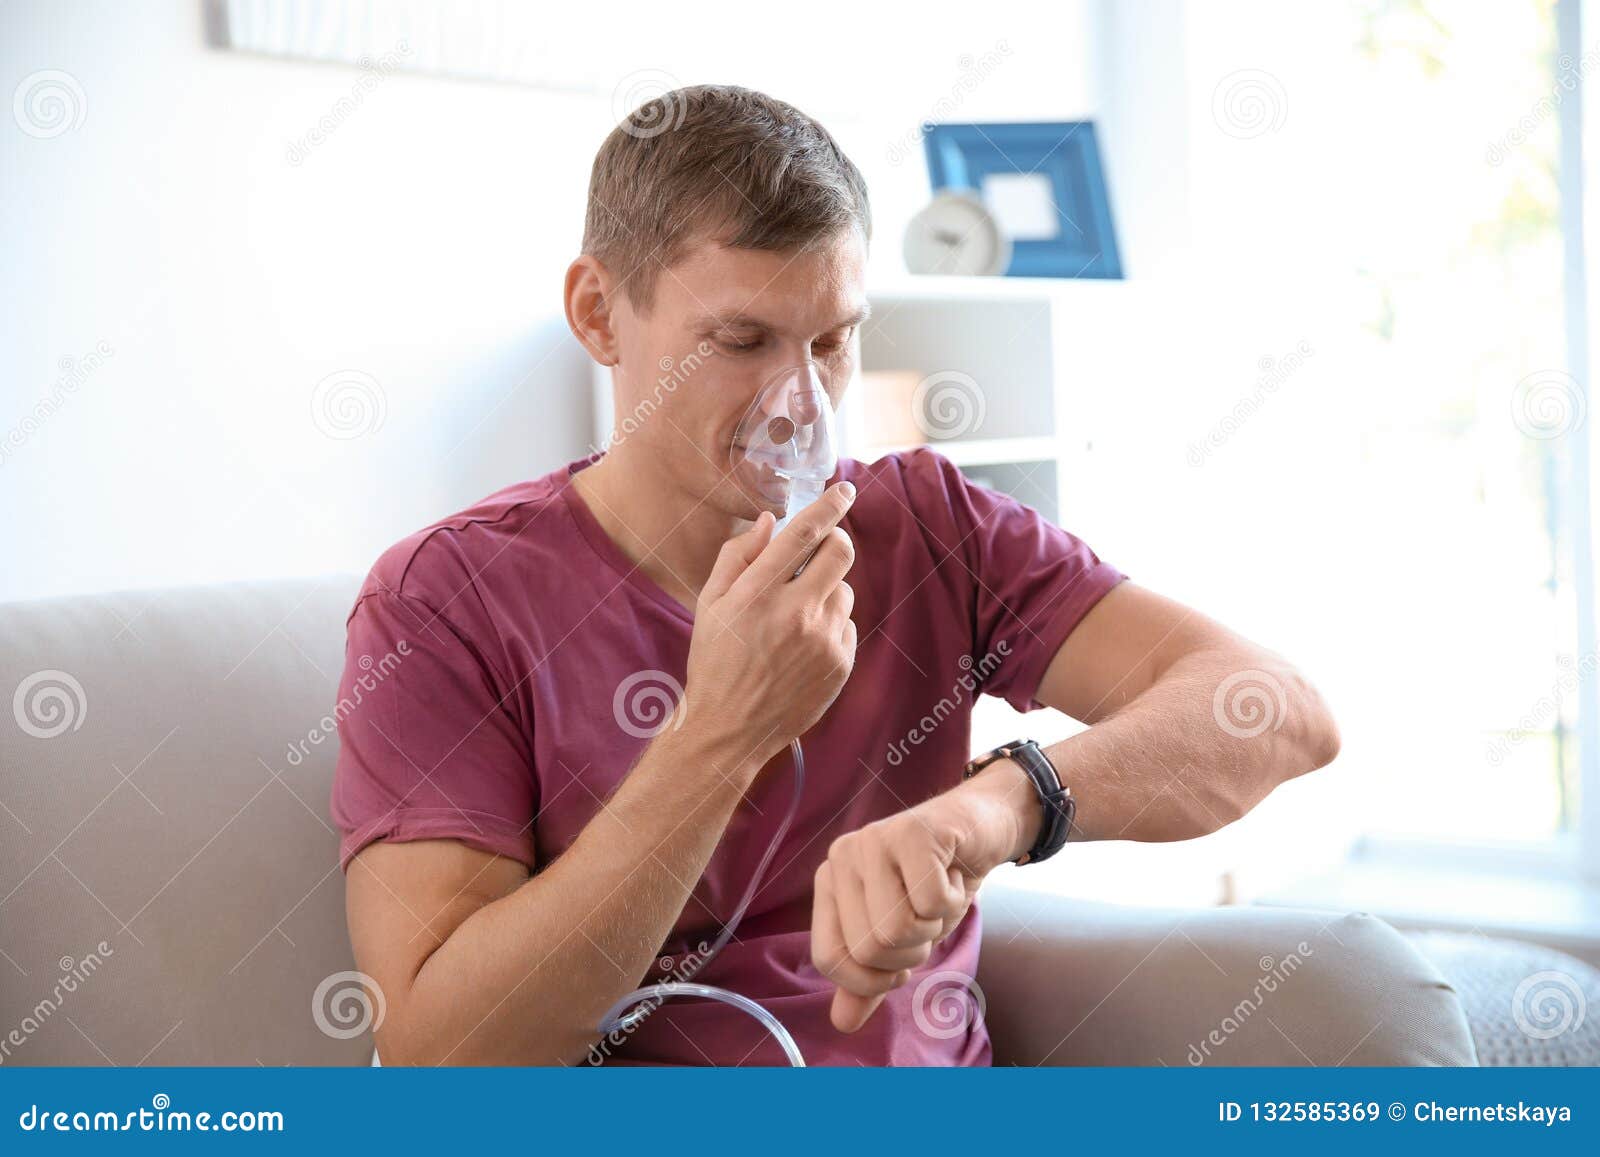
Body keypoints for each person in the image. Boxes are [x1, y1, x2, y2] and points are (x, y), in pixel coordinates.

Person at [329, 85, 1340, 1066]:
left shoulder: (927, 526)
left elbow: (1278, 713)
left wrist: (996, 806)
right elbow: (443, 1055)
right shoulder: (447, 599)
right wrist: (721, 734)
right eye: (741, 341)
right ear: (599, 313)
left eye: (831, 340)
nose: (800, 403)